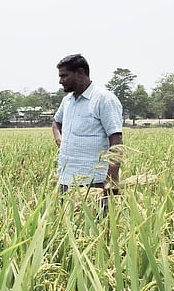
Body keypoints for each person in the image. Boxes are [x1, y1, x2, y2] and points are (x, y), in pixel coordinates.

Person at [52, 54, 123, 213]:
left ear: (80, 72)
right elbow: (56, 122)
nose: (60, 81)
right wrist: (59, 138)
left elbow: (116, 140)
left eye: (64, 75)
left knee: (97, 229)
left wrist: (112, 179)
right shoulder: (68, 101)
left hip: (94, 182)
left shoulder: (104, 99)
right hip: (66, 179)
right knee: (67, 228)